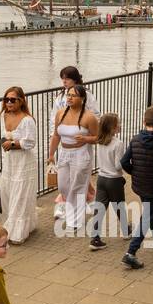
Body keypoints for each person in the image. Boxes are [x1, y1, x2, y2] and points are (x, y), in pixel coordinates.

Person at [120, 106, 153, 269]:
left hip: (139, 183)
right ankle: (131, 252)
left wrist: (134, 172)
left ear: (144, 121)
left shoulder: (135, 139)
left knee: (148, 210)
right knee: (148, 215)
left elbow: (124, 162)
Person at [47, 83, 100, 236]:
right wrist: (51, 154)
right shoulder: (60, 113)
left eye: (73, 95)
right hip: (64, 153)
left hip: (81, 154)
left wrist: (85, 138)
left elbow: (97, 138)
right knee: (63, 186)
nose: (69, 98)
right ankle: (77, 208)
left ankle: (75, 221)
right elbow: (56, 135)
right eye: (68, 95)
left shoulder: (89, 117)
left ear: (82, 98)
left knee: (78, 187)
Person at [0, 86, 38, 244]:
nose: (9, 102)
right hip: (9, 162)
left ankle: (17, 233)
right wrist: (4, 142)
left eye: (12, 100)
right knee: (8, 193)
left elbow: (30, 142)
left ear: (21, 101)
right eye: (6, 99)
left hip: (23, 161)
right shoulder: (5, 115)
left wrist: (12, 144)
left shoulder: (27, 120)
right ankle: (9, 227)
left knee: (20, 195)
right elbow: (3, 135)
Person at [90, 113, 128, 252]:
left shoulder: (100, 141)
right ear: (112, 128)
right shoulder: (118, 143)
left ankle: (95, 238)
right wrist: (127, 161)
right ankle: (125, 231)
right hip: (114, 179)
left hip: (101, 179)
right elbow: (118, 166)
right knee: (119, 206)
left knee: (100, 208)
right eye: (118, 123)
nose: (120, 125)